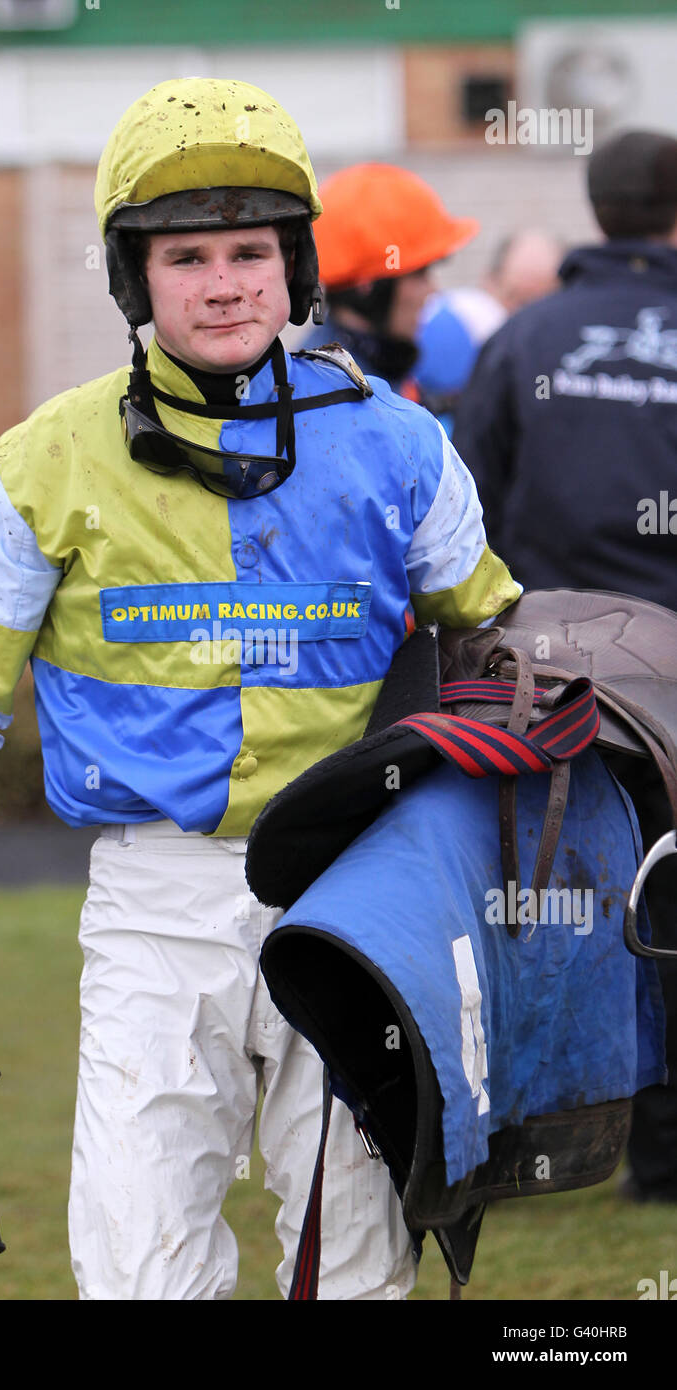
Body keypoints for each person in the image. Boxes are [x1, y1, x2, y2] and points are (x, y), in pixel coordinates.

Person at [0, 76, 521, 1300]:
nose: (224, 282)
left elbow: (501, 648)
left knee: (357, 1269)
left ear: (296, 265)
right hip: (151, 906)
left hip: (358, 900)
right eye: (186, 256)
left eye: (251, 250)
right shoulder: (43, 461)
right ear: (134, 280)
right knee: (138, 1270)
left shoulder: (400, 444)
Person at [452, 128, 677, 1203]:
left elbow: (461, 528)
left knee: (555, 909)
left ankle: (534, 1144)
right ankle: (665, 1159)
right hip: (670, 681)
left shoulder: (520, 339)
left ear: (597, 211)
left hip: (561, 686)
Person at [298, 162, 478, 418]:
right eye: (419, 274)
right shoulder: (331, 398)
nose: (432, 291)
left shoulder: (379, 365)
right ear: (368, 286)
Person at [415, 229, 562, 431]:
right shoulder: (459, 324)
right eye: (516, 299)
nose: (526, 317)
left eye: (541, 303)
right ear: (489, 281)